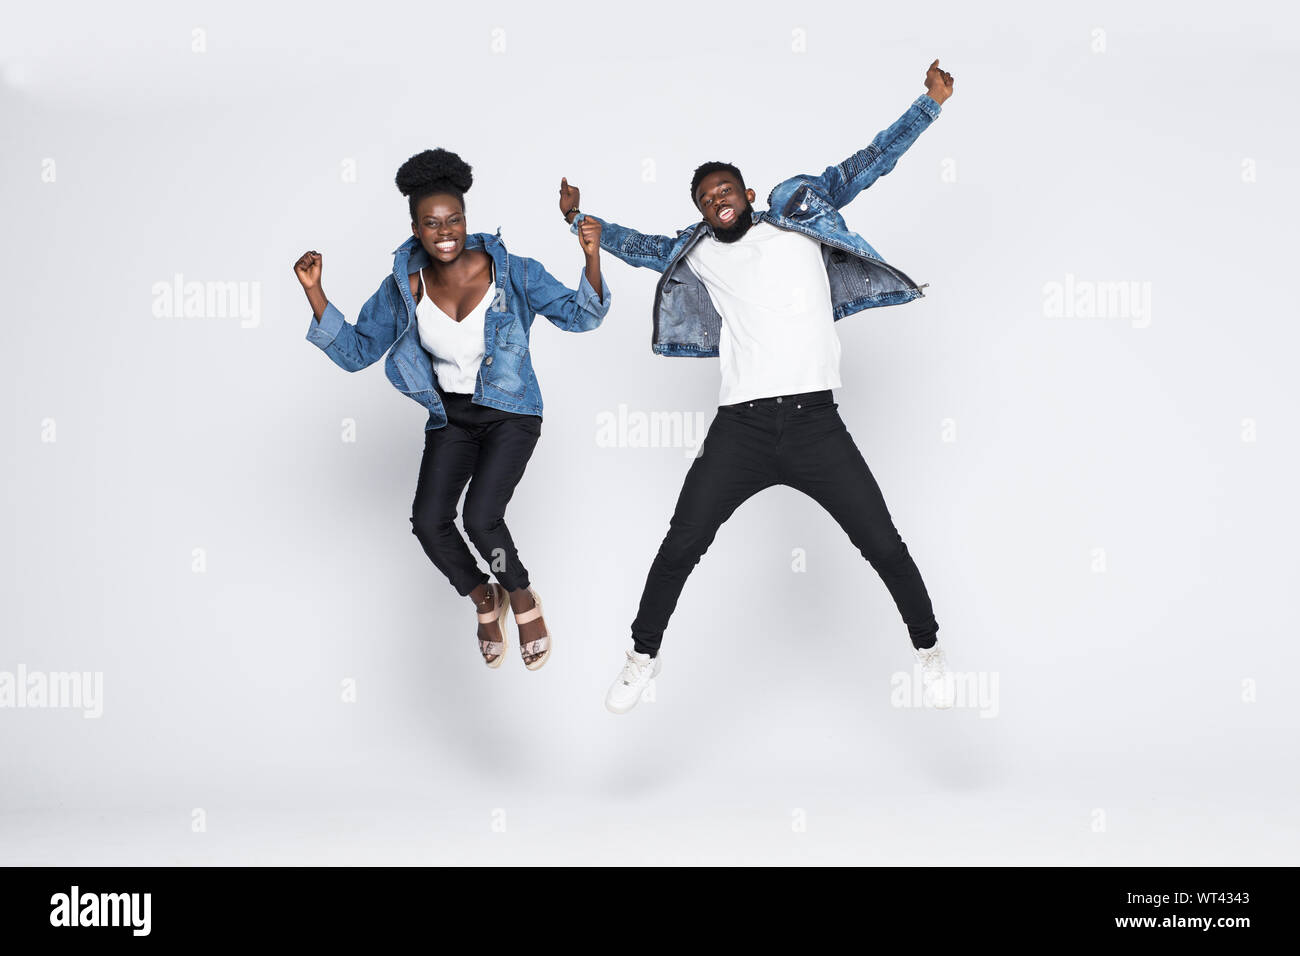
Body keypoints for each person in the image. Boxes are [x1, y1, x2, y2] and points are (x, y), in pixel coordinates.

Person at [559, 60, 957, 712]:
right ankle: (640, 659)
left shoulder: (802, 213)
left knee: (881, 541)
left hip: (815, 424)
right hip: (740, 428)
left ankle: (929, 649)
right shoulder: (701, 252)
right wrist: (579, 223)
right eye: (705, 198)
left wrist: (929, 105)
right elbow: (629, 244)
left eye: (726, 190)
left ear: (746, 193)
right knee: (682, 541)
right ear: (702, 211)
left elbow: (869, 162)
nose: (717, 200)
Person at [295, 148, 610, 669]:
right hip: (451, 419)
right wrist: (316, 294)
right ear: (415, 228)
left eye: (454, 219)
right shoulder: (404, 287)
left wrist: (591, 257)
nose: (446, 232)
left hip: (511, 413)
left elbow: (583, 316)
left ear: (466, 219)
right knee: (428, 521)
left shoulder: (512, 273)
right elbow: (355, 354)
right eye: (432, 223)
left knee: (482, 518)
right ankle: (485, 598)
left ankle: (523, 596)